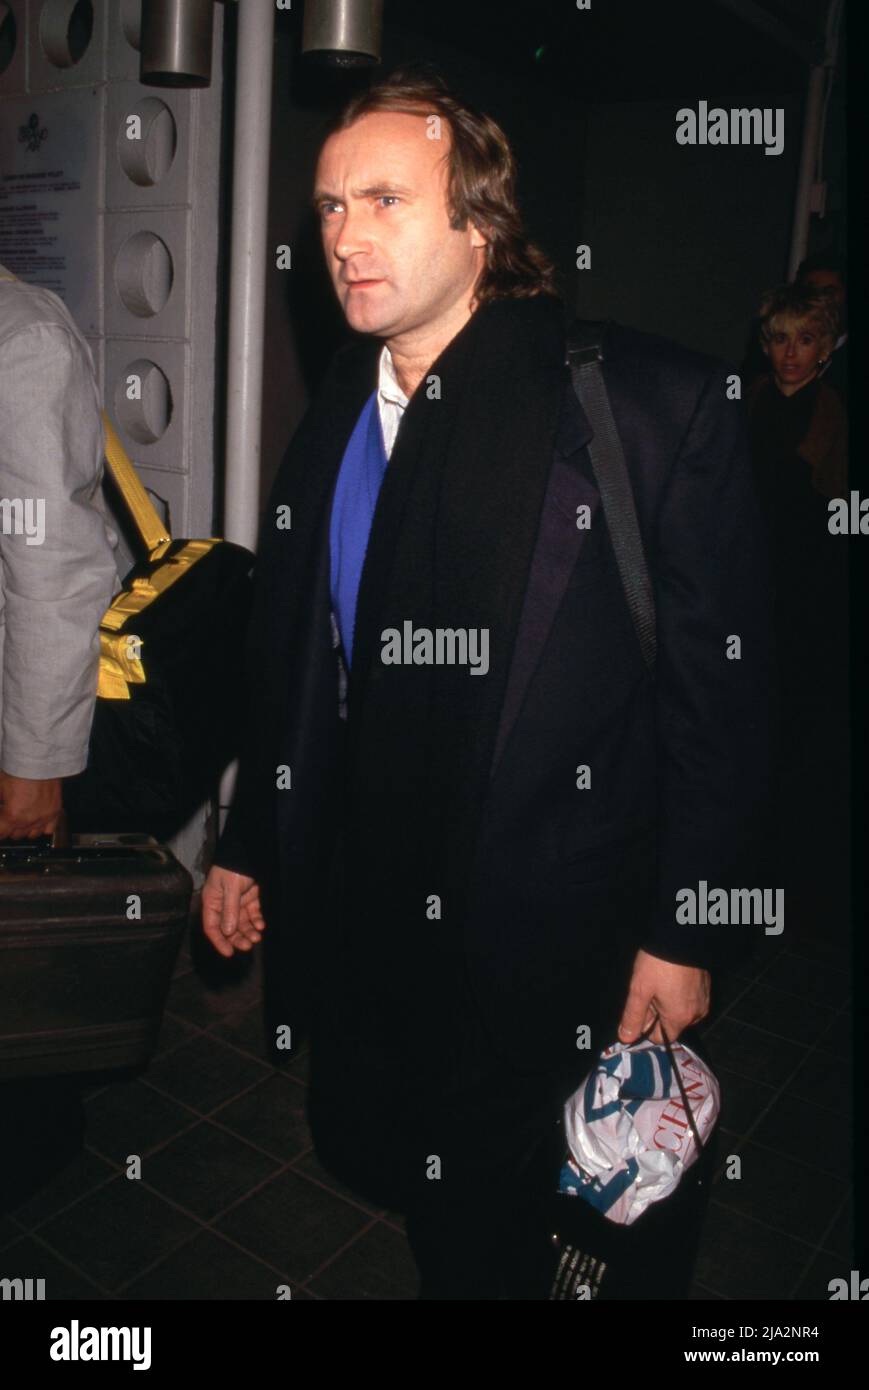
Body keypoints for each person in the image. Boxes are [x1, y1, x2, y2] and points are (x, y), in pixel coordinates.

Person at [202, 65, 774, 1299]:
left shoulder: (646, 411)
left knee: (504, 1218)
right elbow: (301, 665)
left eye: (383, 200)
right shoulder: (333, 427)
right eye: (328, 207)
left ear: (478, 222)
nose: (343, 235)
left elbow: (719, 704)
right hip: (371, 917)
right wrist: (250, 836)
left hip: (556, 924)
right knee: (426, 1184)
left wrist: (685, 928)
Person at [0, 262, 120, 1207]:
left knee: (21, 949)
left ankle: (33, 1147)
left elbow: (54, 566)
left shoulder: (21, 335)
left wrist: (34, 769)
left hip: (9, 711)